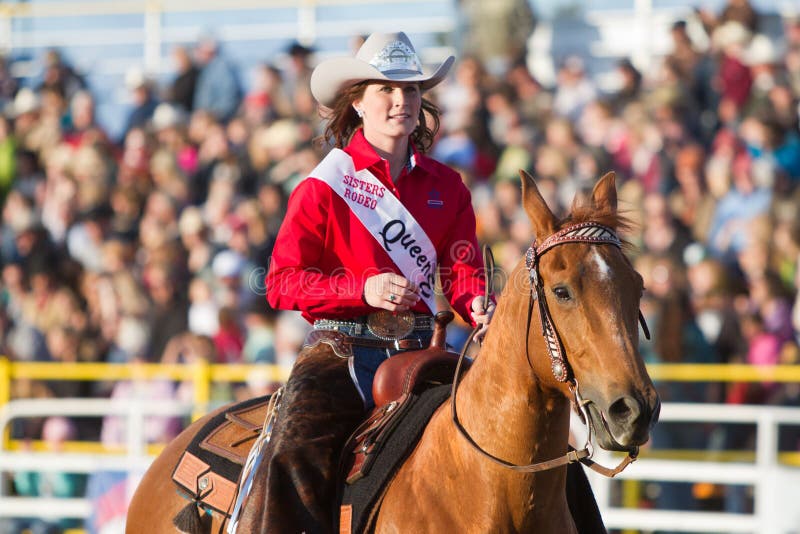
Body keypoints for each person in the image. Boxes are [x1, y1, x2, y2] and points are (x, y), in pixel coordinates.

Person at [236, 32, 494, 532]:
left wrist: (477, 300)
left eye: (412, 90)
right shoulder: (322, 187)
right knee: (294, 455)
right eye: (386, 90)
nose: (402, 101)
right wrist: (362, 288)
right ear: (356, 101)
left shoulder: (448, 186)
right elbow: (281, 283)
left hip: (423, 349)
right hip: (340, 351)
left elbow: (461, 267)